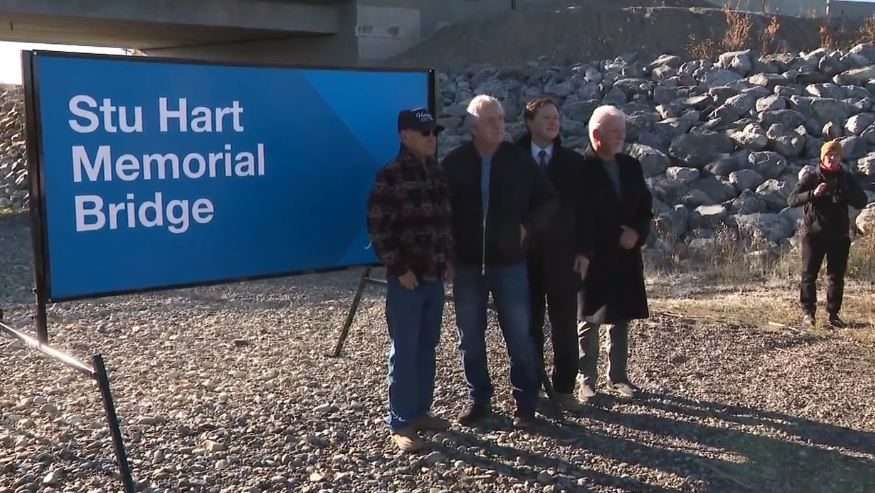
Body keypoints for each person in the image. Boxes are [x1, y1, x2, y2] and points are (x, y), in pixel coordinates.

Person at [442, 95, 557, 428]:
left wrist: (527, 227)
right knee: (471, 338)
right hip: (466, 266)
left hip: (509, 264)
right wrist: (447, 255)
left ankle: (525, 402)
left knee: (520, 335)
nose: (499, 126)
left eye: (502, 119)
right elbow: (442, 212)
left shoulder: (519, 161)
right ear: (475, 126)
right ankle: (479, 400)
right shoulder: (454, 163)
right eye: (491, 120)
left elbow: (548, 200)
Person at [367, 107, 454, 452]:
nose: (432, 138)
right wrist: (398, 268)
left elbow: (446, 222)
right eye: (425, 133)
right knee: (404, 350)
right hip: (406, 279)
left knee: (427, 346)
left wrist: (448, 260)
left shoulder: (436, 172)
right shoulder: (389, 175)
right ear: (405, 136)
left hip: (434, 275)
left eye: (434, 133)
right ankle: (400, 422)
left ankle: (421, 411)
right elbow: (378, 228)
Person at [515, 97, 589, 410]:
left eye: (555, 118)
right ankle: (529, 386)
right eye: (545, 118)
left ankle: (563, 388)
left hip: (563, 256)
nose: (552, 123)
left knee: (562, 325)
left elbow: (588, 212)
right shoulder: (512, 160)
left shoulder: (573, 163)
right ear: (529, 123)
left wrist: (585, 251)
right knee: (527, 325)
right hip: (522, 257)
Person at [576, 105, 653, 402]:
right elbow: (579, 216)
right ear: (597, 135)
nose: (621, 137)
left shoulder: (631, 166)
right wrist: (612, 237)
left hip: (626, 256)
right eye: (615, 132)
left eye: (622, 131)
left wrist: (637, 233)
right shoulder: (580, 169)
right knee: (589, 320)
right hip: (593, 256)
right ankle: (586, 381)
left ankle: (618, 376)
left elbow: (645, 209)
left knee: (621, 318)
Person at [787, 140, 868, 330]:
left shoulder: (846, 178)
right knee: (809, 276)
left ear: (840, 158)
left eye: (836, 155)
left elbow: (862, 201)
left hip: (839, 235)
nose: (832, 158)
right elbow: (791, 200)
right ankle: (808, 315)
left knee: (836, 277)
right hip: (813, 235)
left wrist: (846, 193)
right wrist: (813, 194)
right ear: (822, 157)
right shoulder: (812, 176)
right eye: (829, 155)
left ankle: (833, 315)